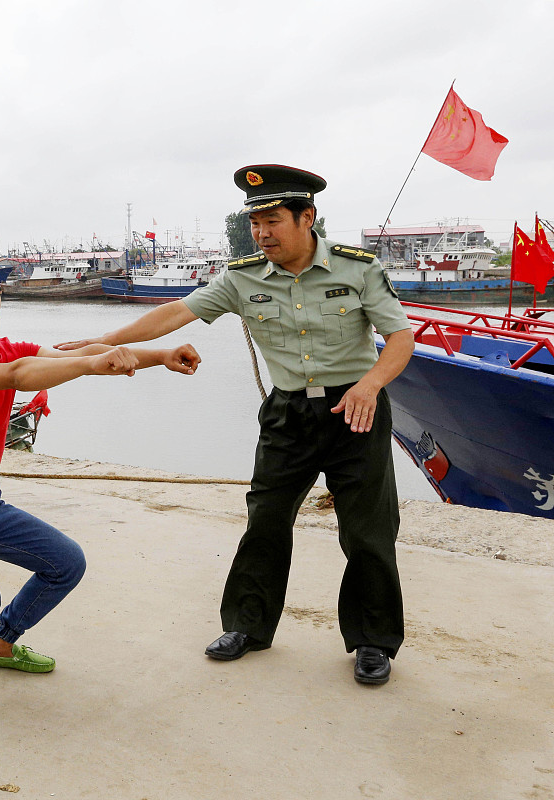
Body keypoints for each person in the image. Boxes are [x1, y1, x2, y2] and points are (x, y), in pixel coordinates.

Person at [58, 165, 415, 685]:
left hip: (354, 409)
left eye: (272, 221)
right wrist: (104, 343)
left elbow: (400, 338)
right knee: (265, 521)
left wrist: (370, 384)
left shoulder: (357, 269)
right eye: (256, 224)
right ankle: (248, 626)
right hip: (288, 412)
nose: (263, 233)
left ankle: (372, 640)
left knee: (367, 532)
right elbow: (173, 314)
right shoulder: (242, 277)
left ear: (307, 217)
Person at [0, 246, 200, 723]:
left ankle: (0, 645)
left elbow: (77, 353)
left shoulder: (9, 347)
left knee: (66, 563)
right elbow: (21, 376)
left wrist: (160, 354)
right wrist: (87, 367)